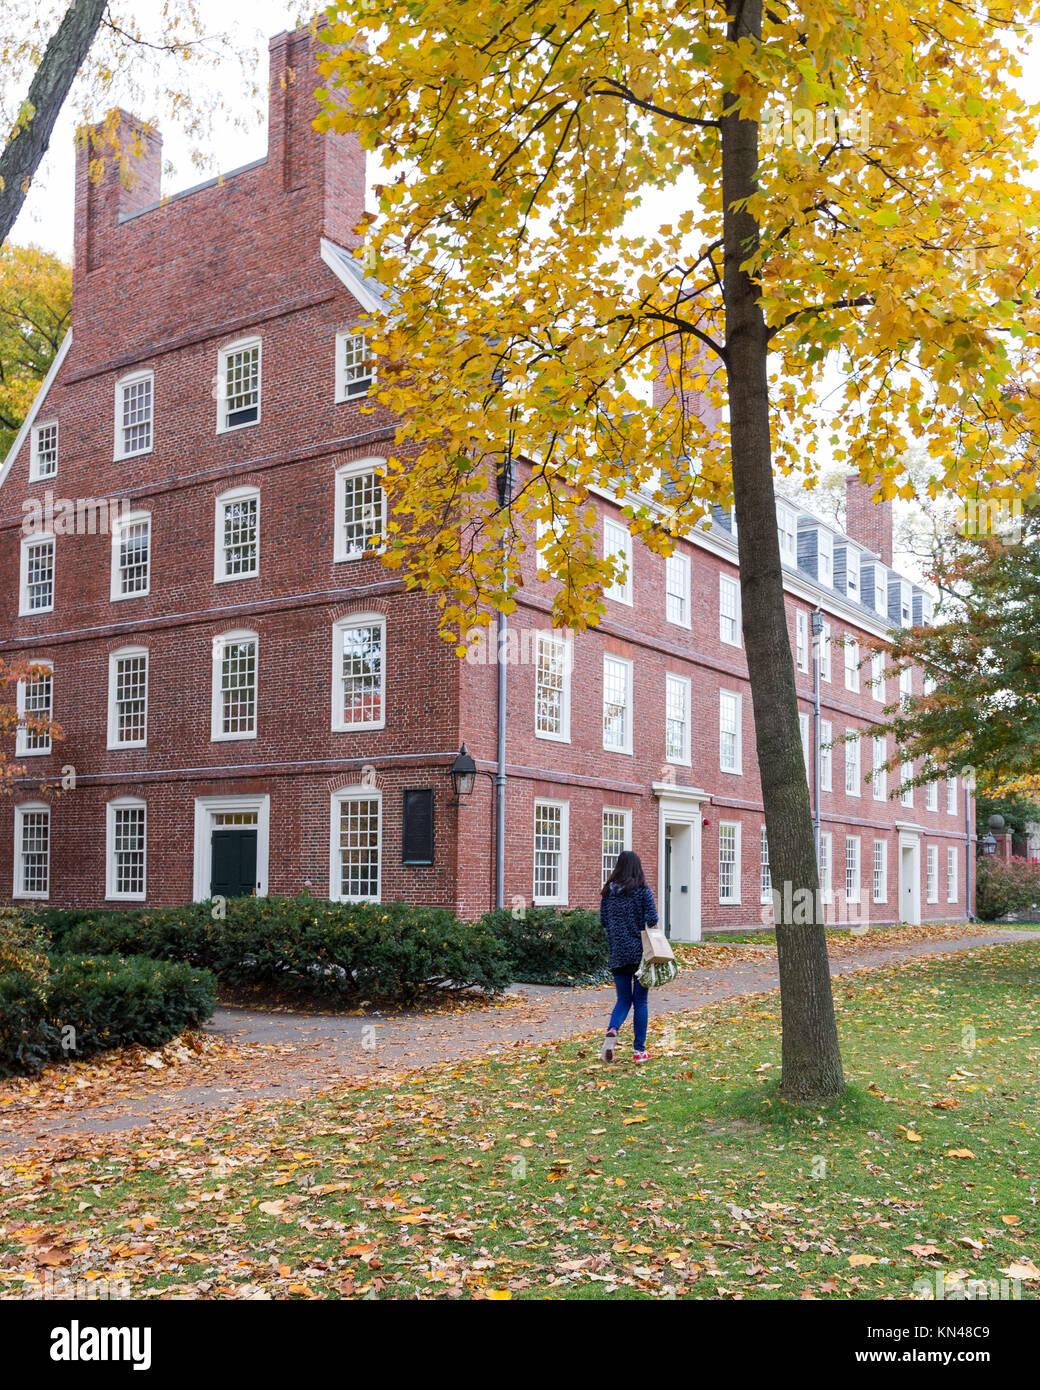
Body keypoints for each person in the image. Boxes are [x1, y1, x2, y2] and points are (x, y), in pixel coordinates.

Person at [600, 849, 658, 1063]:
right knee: (640, 1001)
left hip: (617, 952)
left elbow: (603, 921)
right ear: (637, 867)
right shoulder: (642, 890)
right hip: (640, 953)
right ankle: (639, 1050)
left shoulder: (608, 892)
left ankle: (613, 1029)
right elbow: (652, 919)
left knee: (623, 999)